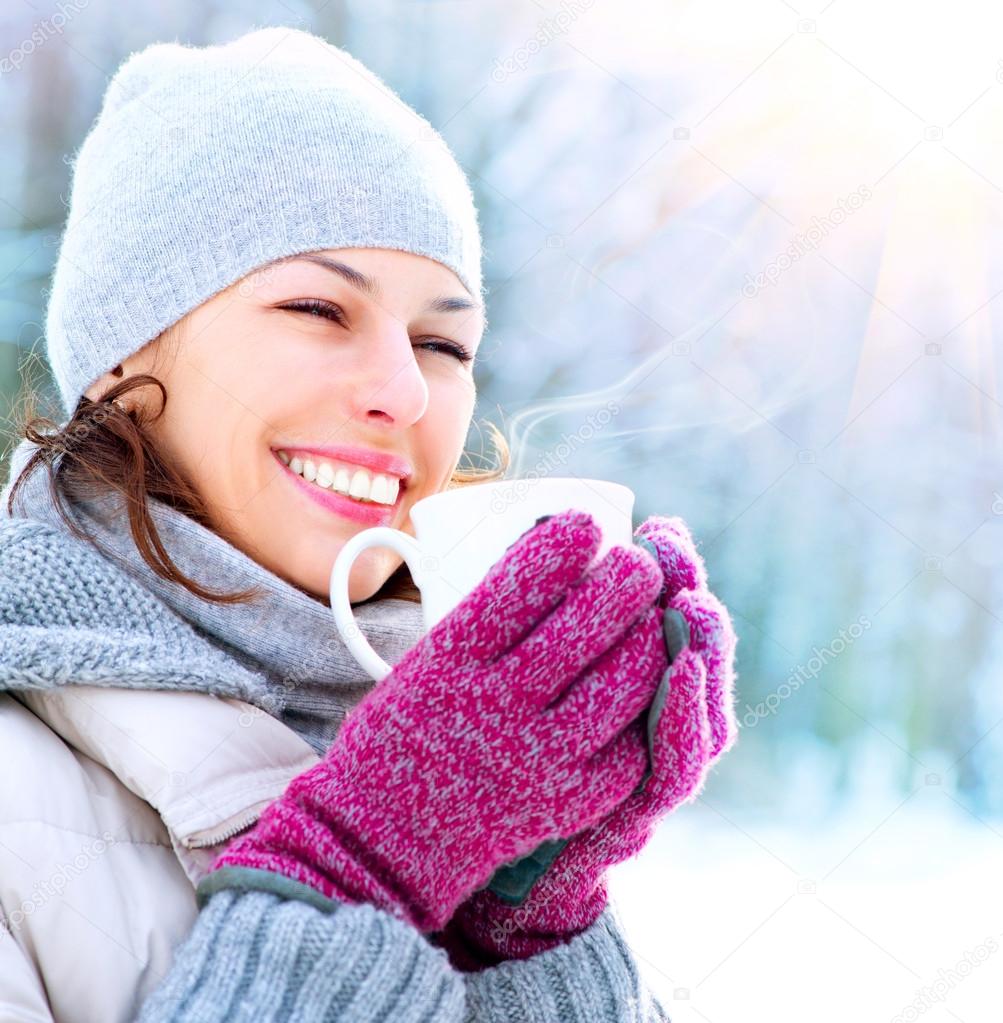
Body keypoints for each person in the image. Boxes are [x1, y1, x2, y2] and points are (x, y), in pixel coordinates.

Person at [0, 26, 738, 1022]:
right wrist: (356, 866)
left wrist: (524, 928)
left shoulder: (471, 760)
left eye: (443, 343)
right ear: (122, 358)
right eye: (316, 307)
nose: (405, 388)